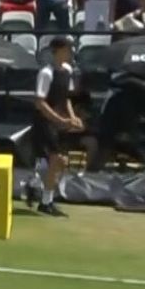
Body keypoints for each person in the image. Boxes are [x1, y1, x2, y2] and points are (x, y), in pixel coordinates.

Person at [29, 37, 81, 218]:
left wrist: (72, 118)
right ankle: (45, 202)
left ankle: (35, 187)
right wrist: (60, 120)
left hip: (58, 123)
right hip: (45, 122)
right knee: (57, 160)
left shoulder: (68, 71)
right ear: (57, 51)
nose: (70, 52)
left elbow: (66, 98)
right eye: (67, 49)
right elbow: (40, 103)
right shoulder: (46, 73)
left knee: (60, 162)